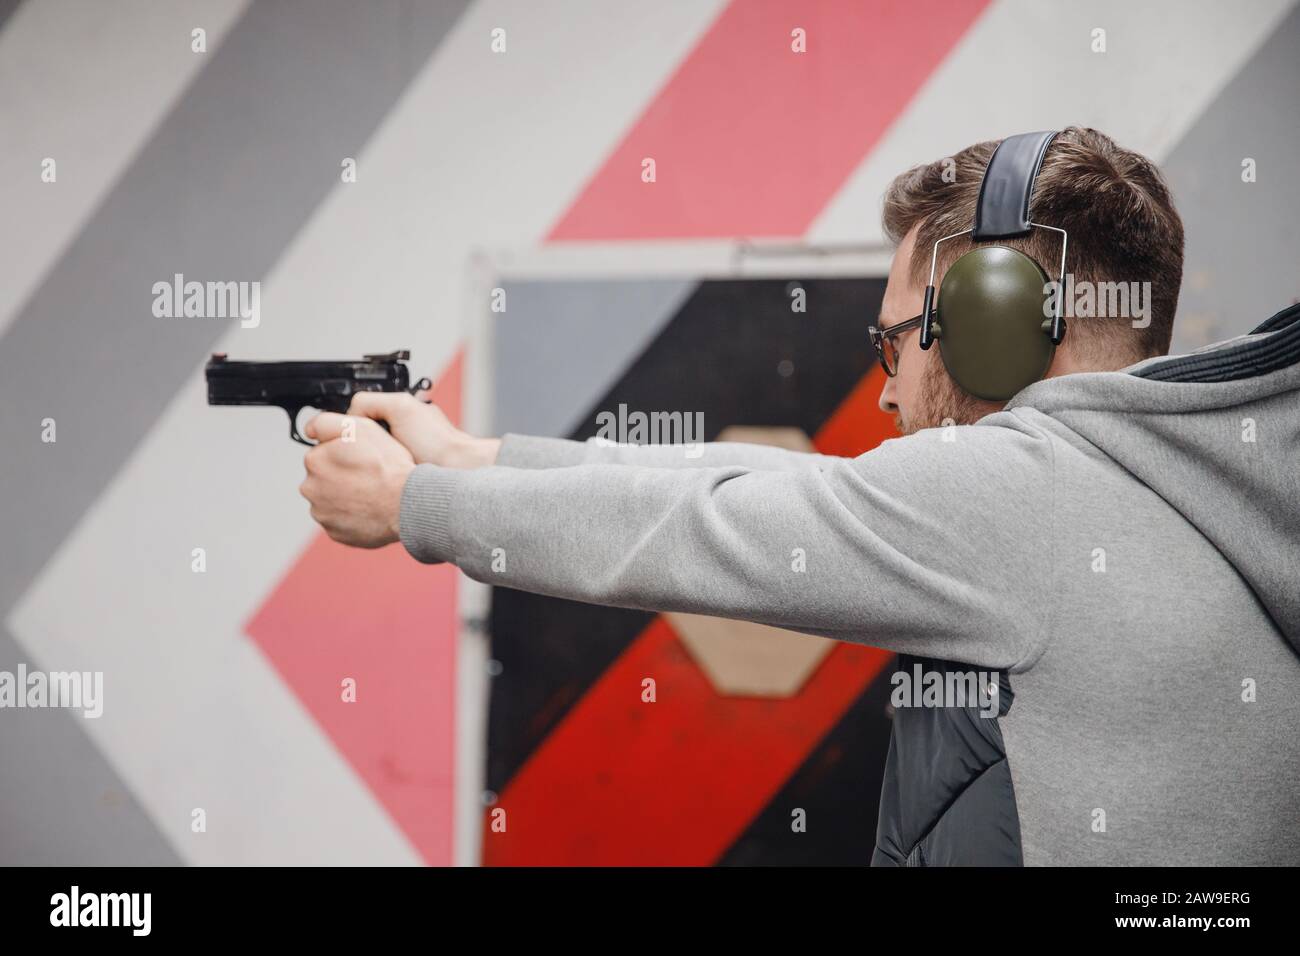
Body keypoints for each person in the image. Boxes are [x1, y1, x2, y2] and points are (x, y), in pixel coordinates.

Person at [297, 127, 1300, 866]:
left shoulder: (1026, 492)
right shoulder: (1156, 489)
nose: (888, 386)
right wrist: (470, 458)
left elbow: (703, 526)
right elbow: (787, 486)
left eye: (897, 337)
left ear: (999, 320)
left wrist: (414, 508)